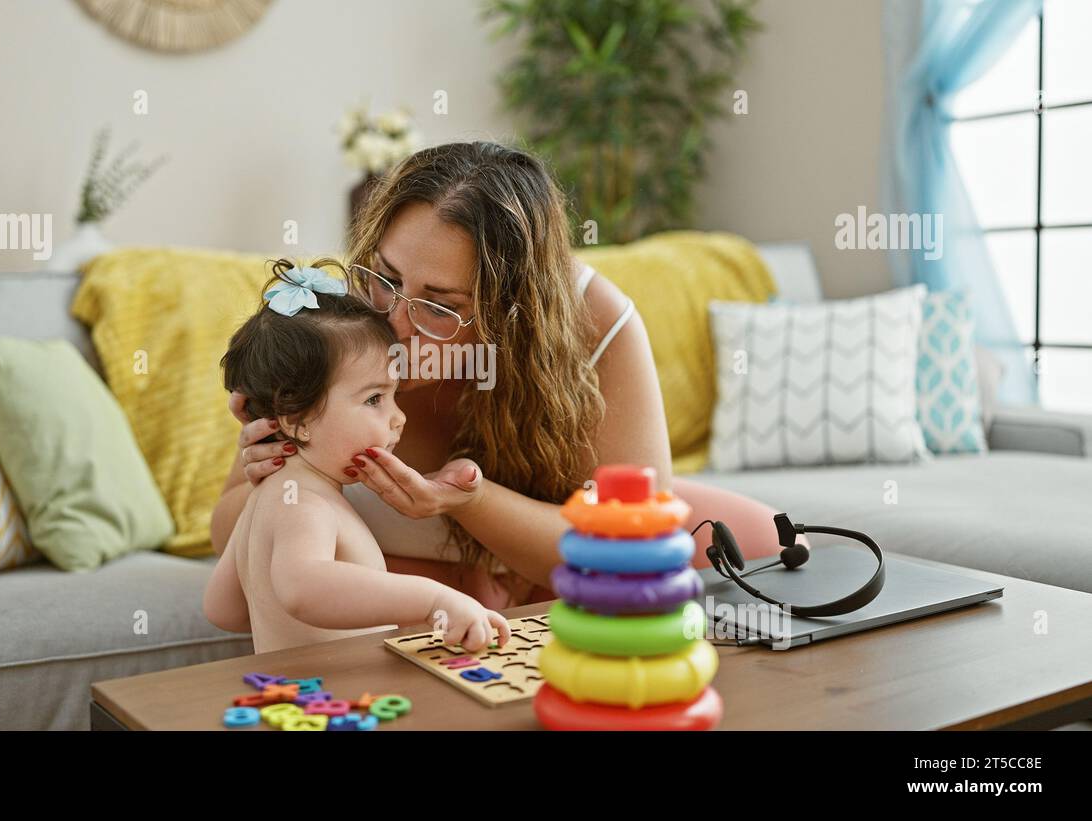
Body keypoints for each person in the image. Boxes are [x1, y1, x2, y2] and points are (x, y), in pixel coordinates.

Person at [212, 141, 806, 610]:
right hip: (403, 570)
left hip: (564, 554)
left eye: (440, 305)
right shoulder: (332, 336)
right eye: (384, 277)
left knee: (777, 549)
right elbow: (232, 547)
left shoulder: (595, 324)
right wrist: (268, 472)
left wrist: (468, 501)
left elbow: (630, 550)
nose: (391, 324)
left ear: (513, 311)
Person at [202, 257, 511, 653]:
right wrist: (434, 598)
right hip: (331, 704)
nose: (398, 418)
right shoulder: (302, 500)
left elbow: (221, 609)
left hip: (305, 699)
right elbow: (302, 587)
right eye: (374, 399)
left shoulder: (271, 494)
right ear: (297, 419)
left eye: (393, 396)